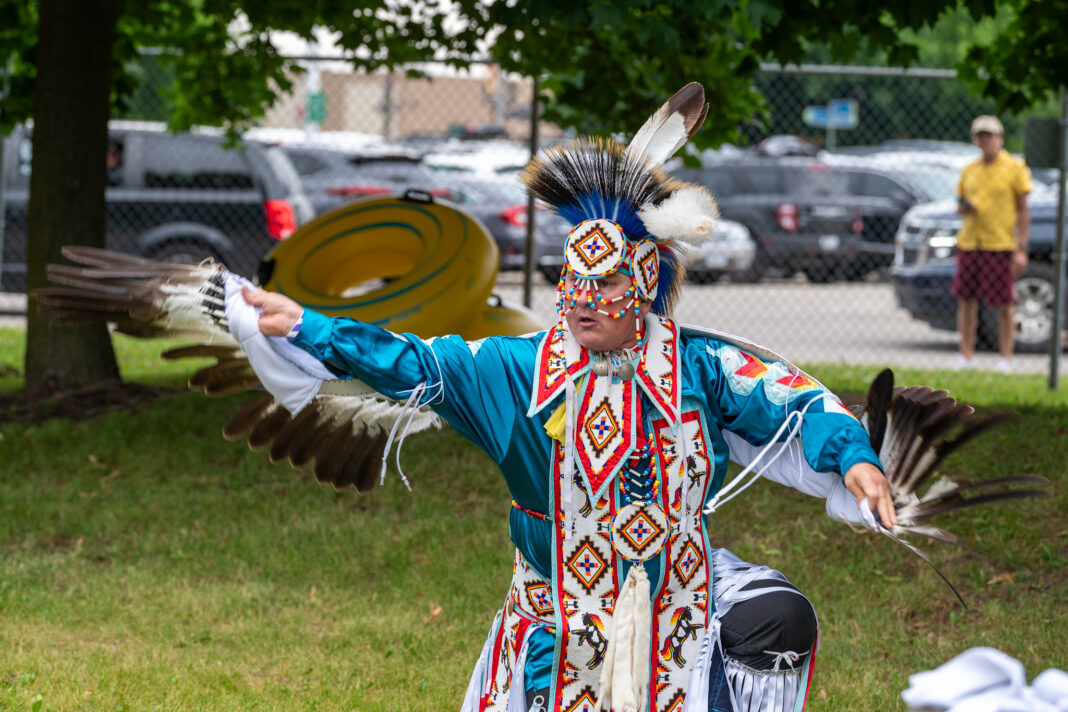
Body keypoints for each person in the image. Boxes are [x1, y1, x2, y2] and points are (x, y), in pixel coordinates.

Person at [240, 84, 896, 712]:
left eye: (604, 283)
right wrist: (307, 325)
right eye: (572, 281)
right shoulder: (512, 371)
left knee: (778, 620)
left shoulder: (701, 366)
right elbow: (407, 360)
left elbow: (794, 402)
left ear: (641, 287)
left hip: (678, 621)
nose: (583, 300)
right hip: (558, 630)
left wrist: (854, 459)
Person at [951, 115, 1032, 372]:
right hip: (970, 242)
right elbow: (959, 205)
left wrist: (1022, 247)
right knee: (966, 299)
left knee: (1003, 303)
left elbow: (1023, 211)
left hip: (1000, 244)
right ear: (975, 140)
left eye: (990, 135)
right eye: (980, 136)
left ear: (1001, 138)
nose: (985, 140)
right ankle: (966, 355)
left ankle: (1005, 358)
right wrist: (966, 208)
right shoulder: (970, 170)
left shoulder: (1015, 168)